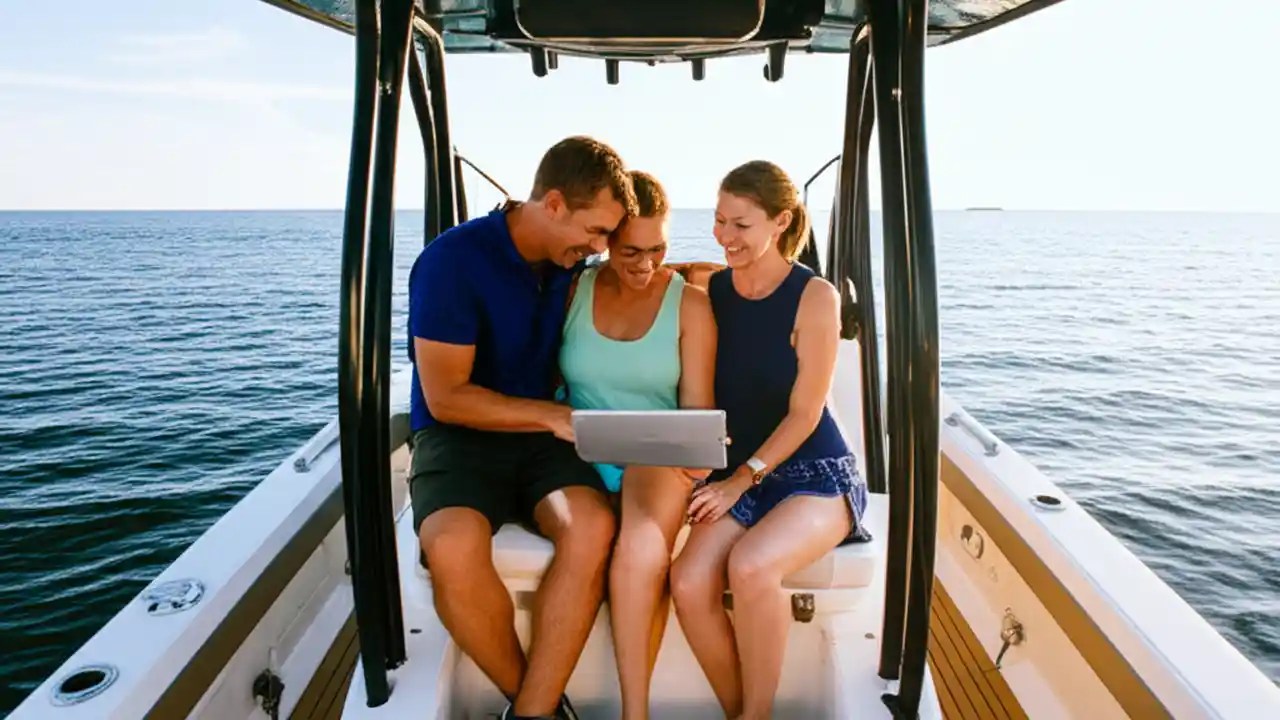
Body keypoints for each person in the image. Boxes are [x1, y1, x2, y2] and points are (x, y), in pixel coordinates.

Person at [407, 136, 638, 720]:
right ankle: (539, 706)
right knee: (453, 548)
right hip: (458, 439)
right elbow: (447, 397)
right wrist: (554, 416)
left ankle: (534, 712)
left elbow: (651, 271)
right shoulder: (452, 260)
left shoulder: (571, 261)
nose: (600, 248)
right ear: (554, 203)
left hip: (538, 445)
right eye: (595, 232)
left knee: (589, 527)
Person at [669, 160, 871, 720]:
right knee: (686, 581)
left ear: (780, 222)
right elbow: (655, 275)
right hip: (739, 475)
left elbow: (806, 414)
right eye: (718, 221)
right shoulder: (710, 289)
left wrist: (739, 479)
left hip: (813, 474)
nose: (725, 236)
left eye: (740, 225)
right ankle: (743, 710)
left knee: (753, 567)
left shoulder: (816, 297)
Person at [556, 170, 716, 720]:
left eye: (658, 249)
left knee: (640, 552)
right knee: (589, 543)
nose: (646, 264)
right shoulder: (574, 288)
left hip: (656, 455)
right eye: (630, 251)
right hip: (574, 451)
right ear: (604, 242)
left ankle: (634, 714)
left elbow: (696, 410)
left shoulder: (690, 305)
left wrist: (694, 465)